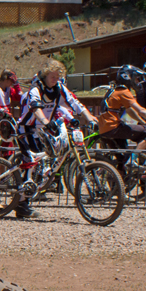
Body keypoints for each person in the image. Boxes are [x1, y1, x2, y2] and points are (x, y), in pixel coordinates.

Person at [16, 64, 98, 219]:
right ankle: (22, 205)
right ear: (46, 75)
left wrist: (88, 117)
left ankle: (40, 184)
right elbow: (35, 107)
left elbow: (74, 103)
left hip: (42, 130)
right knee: (31, 161)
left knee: (46, 160)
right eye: (53, 77)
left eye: (58, 77)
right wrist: (46, 121)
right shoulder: (36, 89)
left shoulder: (59, 88)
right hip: (27, 129)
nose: (56, 80)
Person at [98, 65, 146, 164]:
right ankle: (133, 160)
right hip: (114, 127)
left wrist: (143, 122)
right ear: (127, 77)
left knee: (122, 159)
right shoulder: (123, 91)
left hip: (104, 129)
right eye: (136, 79)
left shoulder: (114, 90)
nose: (137, 82)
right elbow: (140, 110)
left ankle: (122, 171)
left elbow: (130, 111)